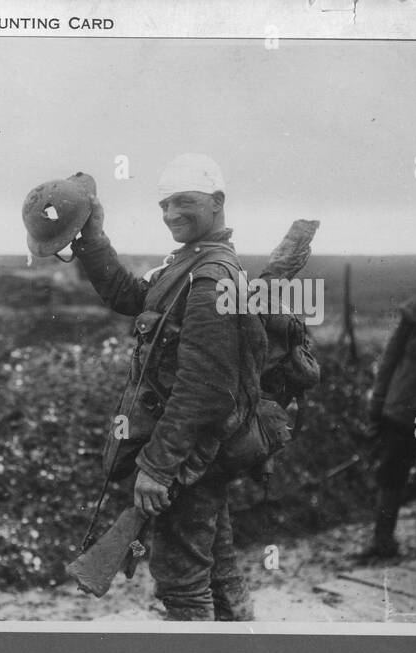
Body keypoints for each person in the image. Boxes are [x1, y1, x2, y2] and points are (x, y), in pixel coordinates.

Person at [72, 154, 267, 621]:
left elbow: (205, 387)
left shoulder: (209, 277)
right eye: (163, 204)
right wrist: (92, 236)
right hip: (198, 449)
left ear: (217, 202)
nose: (170, 214)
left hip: (188, 453)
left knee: (181, 579)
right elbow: (129, 296)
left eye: (184, 202)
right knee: (215, 564)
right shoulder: (188, 266)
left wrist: (158, 469)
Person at [357, 256, 416, 560]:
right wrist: (378, 401)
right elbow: (388, 361)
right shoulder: (415, 313)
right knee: (393, 474)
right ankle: (383, 542)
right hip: (405, 410)